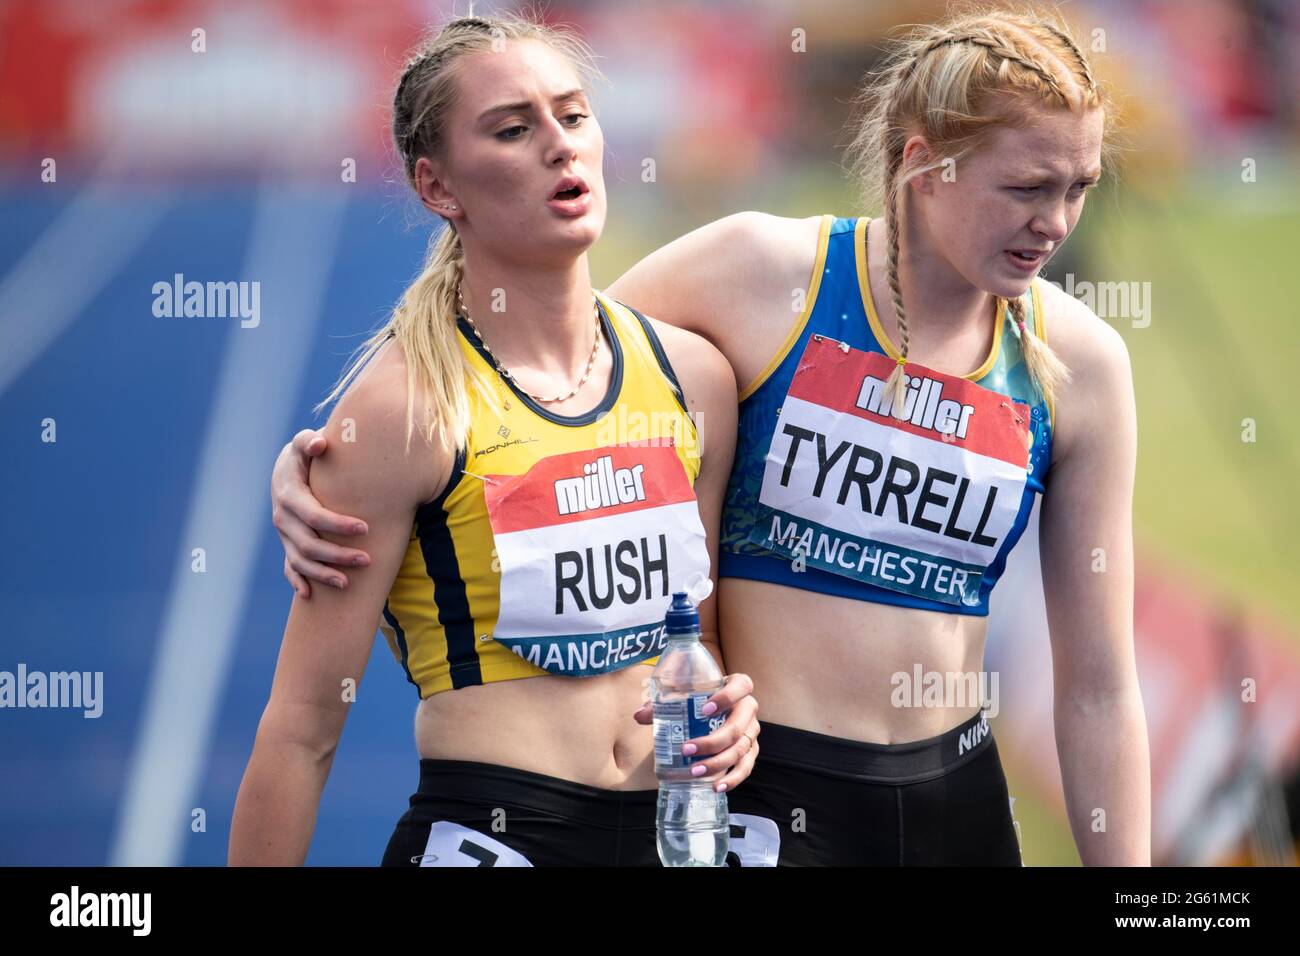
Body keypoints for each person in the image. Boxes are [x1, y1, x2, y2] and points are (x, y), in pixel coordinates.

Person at [273, 8, 1150, 865]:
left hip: (955, 792)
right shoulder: (758, 275)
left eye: (1080, 187)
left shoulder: (1080, 362)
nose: (1058, 223)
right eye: (1028, 188)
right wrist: (344, 450)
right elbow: (550, 362)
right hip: (770, 796)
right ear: (924, 164)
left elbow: (1102, 687)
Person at [231, 13, 760, 868]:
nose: (561, 146)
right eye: (514, 130)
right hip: (501, 833)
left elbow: (697, 642)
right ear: (438, 188)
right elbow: (300, 732)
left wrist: (736, 708)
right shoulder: (410, 410)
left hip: (679, 838)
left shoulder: (694, 378)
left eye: (573, 115)